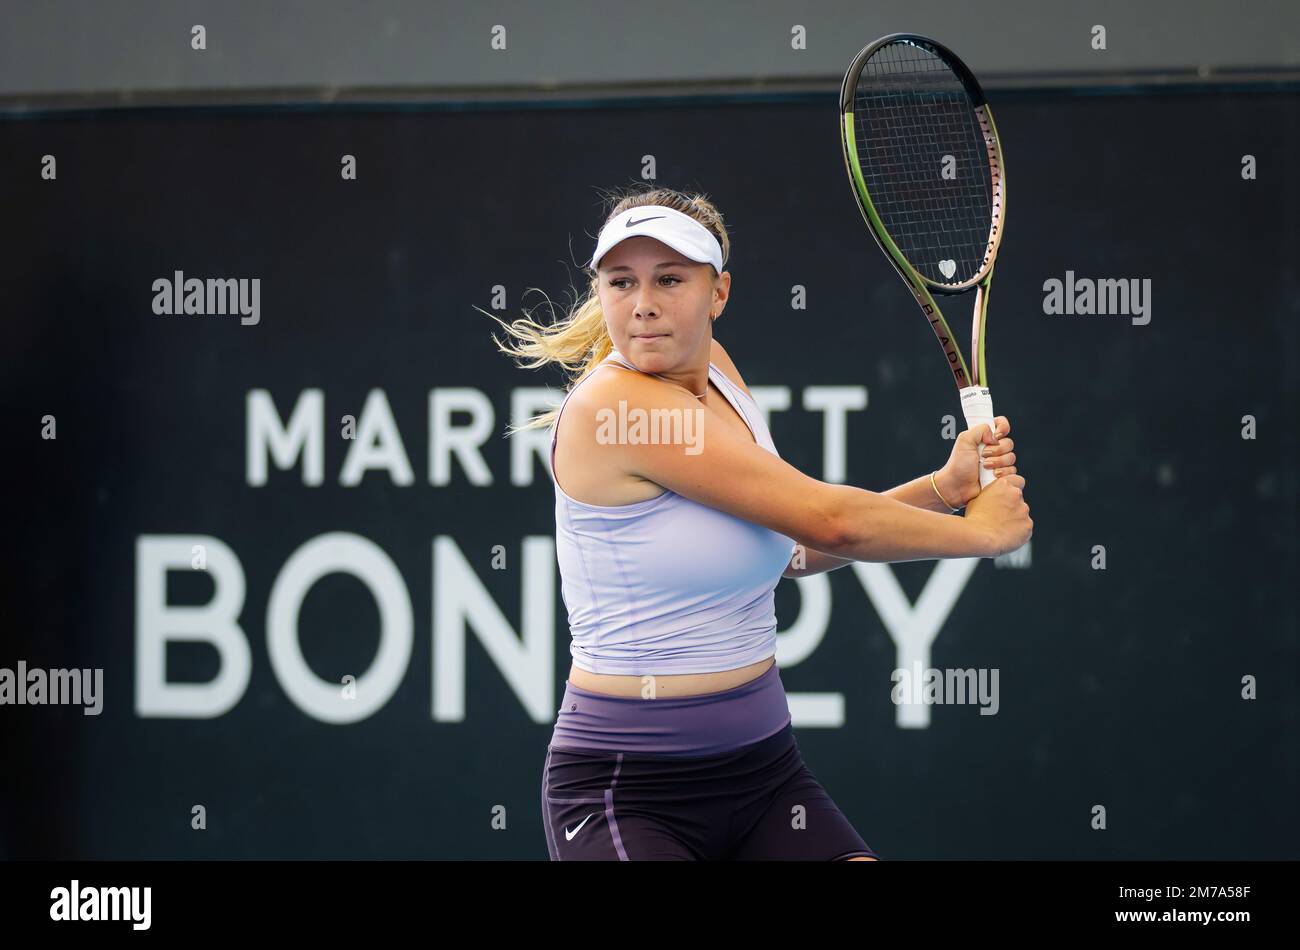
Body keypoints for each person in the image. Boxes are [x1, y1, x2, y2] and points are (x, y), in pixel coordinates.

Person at [489, 186, 1031, 860]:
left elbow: (793, 546)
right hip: (626, 795)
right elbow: (831, 522)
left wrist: (941, 490)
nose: (644, 302)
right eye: (621, 281)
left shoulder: (716, 373)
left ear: (718, 294)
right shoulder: (615, 406)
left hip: (765, 777)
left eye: (670, 279)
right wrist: (983, 535)